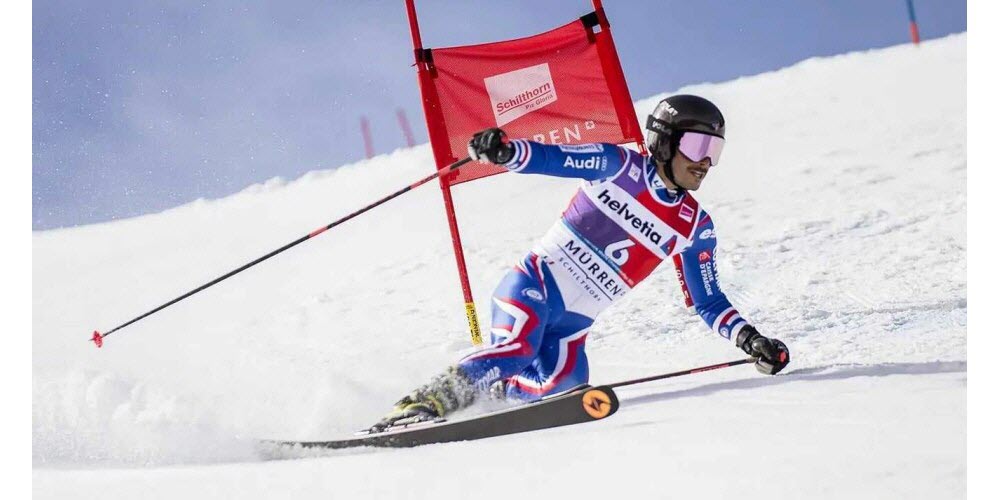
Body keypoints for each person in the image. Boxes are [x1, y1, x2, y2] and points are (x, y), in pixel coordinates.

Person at [372, 94, 789, 430]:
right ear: (664, 141)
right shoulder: (618, 167)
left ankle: (496, 393)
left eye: (714, 150)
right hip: (533, 288)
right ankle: (419, 402)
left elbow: (708, 301)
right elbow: (553, 157)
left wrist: (751, 341)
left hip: (573, 326)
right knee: (517, 347)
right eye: (697, 145)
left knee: (569, 387)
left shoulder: (694, 225)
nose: (705, 161)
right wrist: (504, 151)